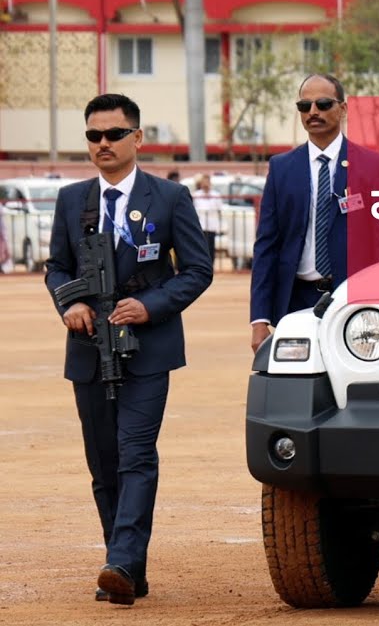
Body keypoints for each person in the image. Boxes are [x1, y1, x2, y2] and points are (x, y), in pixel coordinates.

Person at [44, 93, 213, 605]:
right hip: (88, 345)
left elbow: (198, 270)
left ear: (137, 138)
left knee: (135, 455)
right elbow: (55, 266)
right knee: (103, 461)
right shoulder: (72, 199)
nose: (102, 144)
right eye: (93, 136)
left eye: (113, 135)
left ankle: (119, 559)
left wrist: (151, 304)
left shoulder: (168, 198)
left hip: (147, 345)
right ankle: (127, 569)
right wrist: (68, 304)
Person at [250, 74, 379, 352]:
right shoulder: (281, 168)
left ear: (343, 108)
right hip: (295, 301)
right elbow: (267, 245)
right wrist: (259, 319)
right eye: (305, 106)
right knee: (296, 386)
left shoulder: (373, 166)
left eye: (323, 104)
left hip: (356, 302)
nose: (313, 112)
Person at [192, 174, 222, 267]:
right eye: (203, 182)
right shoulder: (196, 195)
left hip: (211, 226)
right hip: (200, 225)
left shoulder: (216, 195)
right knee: (200, 247)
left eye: (207, 182)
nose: (205, 184)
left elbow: (219, 209)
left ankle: (210, 266)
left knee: (211, 247)